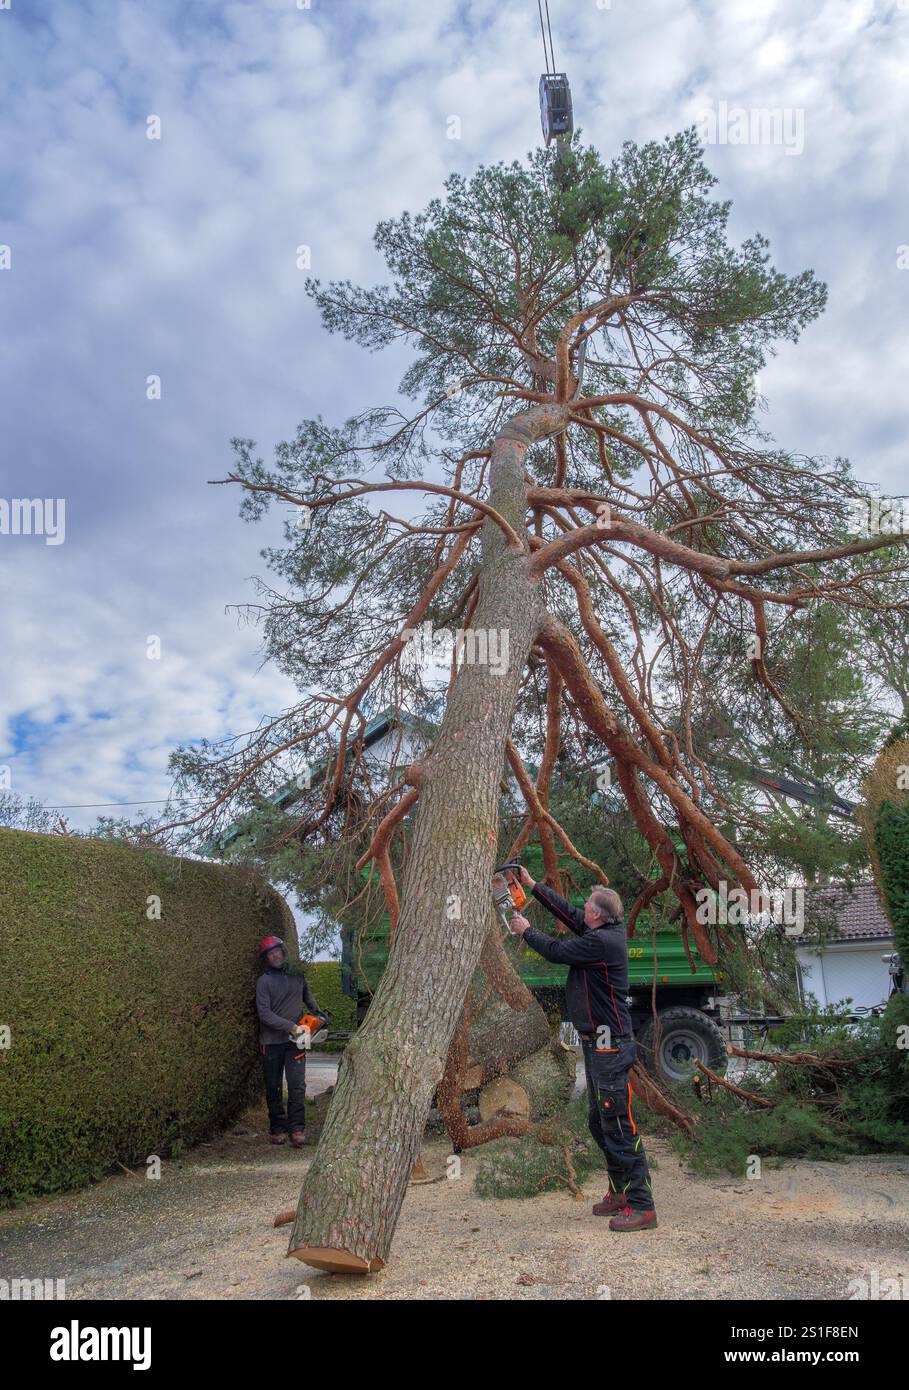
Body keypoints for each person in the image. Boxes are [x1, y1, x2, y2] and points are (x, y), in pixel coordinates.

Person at [508, 867, 657, 1231]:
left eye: (586, 905)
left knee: (618, 1124)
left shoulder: (600, 943)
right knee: (598, 1120)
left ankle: (643, 1206)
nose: (581, 909)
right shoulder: (601, 929)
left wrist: (526, 932)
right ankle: (620, 1191)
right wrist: (532, 885)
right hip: (597, 1043)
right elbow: (569, 914)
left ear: (597, 914)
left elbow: (556, 950)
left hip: (610, 1044)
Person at [255, 935, 320, 1148]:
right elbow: (264, 1014)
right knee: (273, 1086)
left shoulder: (297, 975)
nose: (275, 955)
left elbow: (307, 998)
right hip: (271, 1040)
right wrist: (290, 1026)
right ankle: (278, 1129)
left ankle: (297, 1128)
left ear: (283, 951)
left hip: (298, 1038)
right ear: (266, 958)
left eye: (277, 951)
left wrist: (318, 1014)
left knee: (297, 1085)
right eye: (270, 953)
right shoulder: (263, 982)